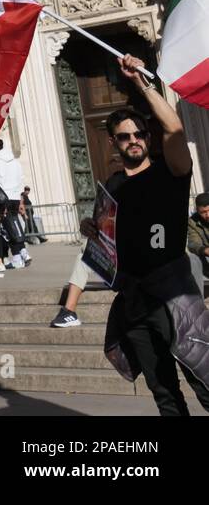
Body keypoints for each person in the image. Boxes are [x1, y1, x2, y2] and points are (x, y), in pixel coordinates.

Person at [81, 54, 209, 416]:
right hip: (135, 303)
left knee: (204, 379)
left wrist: (141, 83)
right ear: (113, 143)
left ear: (147, 138)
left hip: (175, 297)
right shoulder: (113, 185)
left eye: (139, 134)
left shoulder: (170, 171)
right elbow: (107, 236)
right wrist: (89, 229)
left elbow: (175, 130)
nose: (133, 140)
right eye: (124, 137)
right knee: (164, 393)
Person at [186, 194, 209, 291]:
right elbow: (193, 243)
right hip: (207, 257)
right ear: (198, 210)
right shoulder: (192, 222)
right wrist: (205, 250)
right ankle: (198, 301)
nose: (208, 215)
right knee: (192, 259)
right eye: (203, 212)